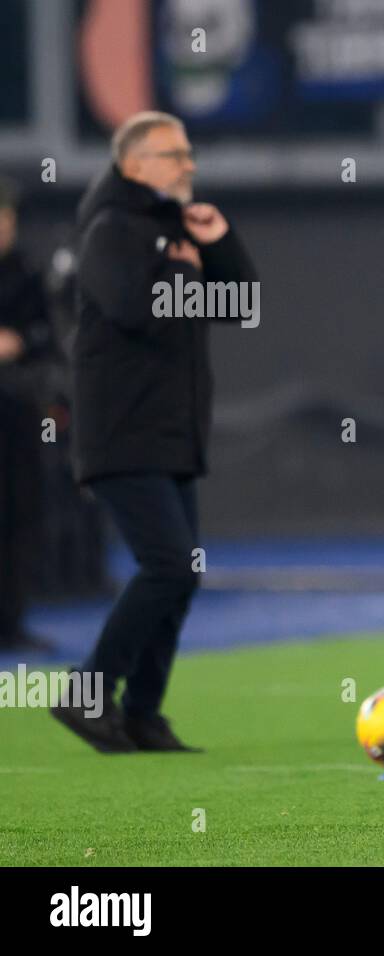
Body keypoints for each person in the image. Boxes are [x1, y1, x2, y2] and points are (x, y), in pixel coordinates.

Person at [50, 111, 257, 753]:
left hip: (170, 435)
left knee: (180, 571)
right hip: (123, 432)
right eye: (173, 155)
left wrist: (217, 242)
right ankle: (88, 693)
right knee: (167, 566)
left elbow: (242, 302)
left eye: (189, 153)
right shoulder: (111, 226)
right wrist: (186, 272)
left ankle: (141, 713)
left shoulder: (171, 226)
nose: (188, 164)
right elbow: (132, 308)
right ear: (133, 163)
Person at [0, 177, 56, 653]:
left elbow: (50, 339)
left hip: (16, 413)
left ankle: (12, 623)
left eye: (6, 217)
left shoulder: (29, 274)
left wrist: (20, 343)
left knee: (19, 516)